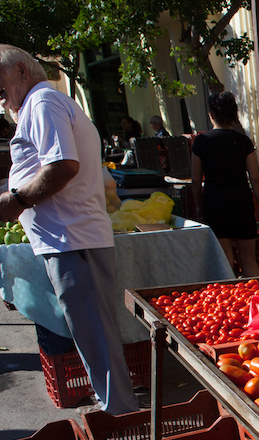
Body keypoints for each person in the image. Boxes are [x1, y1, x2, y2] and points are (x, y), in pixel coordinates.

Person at [0, 44, 139, 415]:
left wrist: (16, 201)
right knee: (92, 333)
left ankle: (120, 415)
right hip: (68, 239)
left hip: (71, 239)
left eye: (0, 85)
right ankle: (114, 407)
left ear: (21, 72)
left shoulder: (42, 102)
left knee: (95, 334)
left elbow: (62, 165)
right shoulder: (40, 103)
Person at [190, 91, 259, 278]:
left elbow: (196, 179)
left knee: (225, 260)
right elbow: (255, 177)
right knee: (249, 259)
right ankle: (256, 297)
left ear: (211, 115)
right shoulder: (243, 142)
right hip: (241, 202)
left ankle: (230, 302)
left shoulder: (201, 142)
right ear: (234, 114)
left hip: (214, 202)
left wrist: (199, 205)